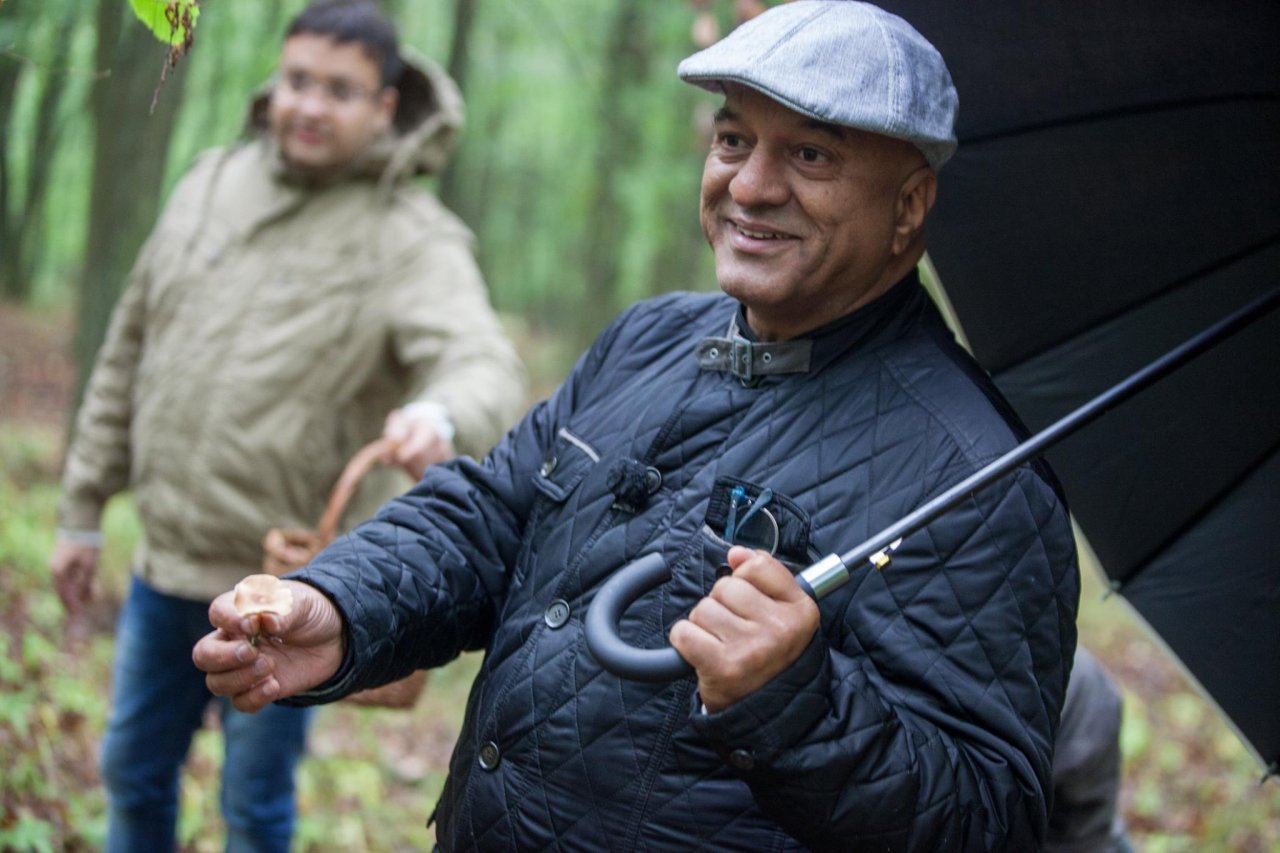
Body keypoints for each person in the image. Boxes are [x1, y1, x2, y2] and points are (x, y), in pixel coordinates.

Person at [195, 2, 1078, 850]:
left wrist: (799, 701)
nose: (751, 185)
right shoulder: (648, 336)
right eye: (734, 138)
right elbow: (489, 514)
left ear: (910, 205)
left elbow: (985, 816)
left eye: (810, 154)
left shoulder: (975, 475)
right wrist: (342, 604)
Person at [49, 1, 526, 850]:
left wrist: (439, 410)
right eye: (298, 80)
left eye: (340, 90)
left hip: (282, 595)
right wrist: (84, 507)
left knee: (254, 799)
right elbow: (128, 346)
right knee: (131, 767)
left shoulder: (410, 238)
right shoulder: (209, 182)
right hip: (164, 565)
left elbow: (481, 360)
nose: (308, 105)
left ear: (384, 106)